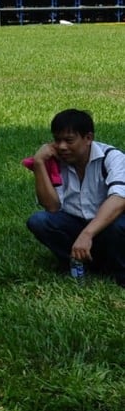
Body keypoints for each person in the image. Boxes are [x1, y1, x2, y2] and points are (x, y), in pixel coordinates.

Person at [26, 109, 125, 284]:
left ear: (88, 138)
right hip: (75, 222)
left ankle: (117, 270)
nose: (62, 146)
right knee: (39, 221)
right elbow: (52, 207)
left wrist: (87, 234)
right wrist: (39, 163)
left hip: (107, 225)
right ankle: (77, 262)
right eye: (57, 140)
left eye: (69, 140)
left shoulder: (112, 158)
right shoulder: (55, 162)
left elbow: (119, 200)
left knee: (119, 226)